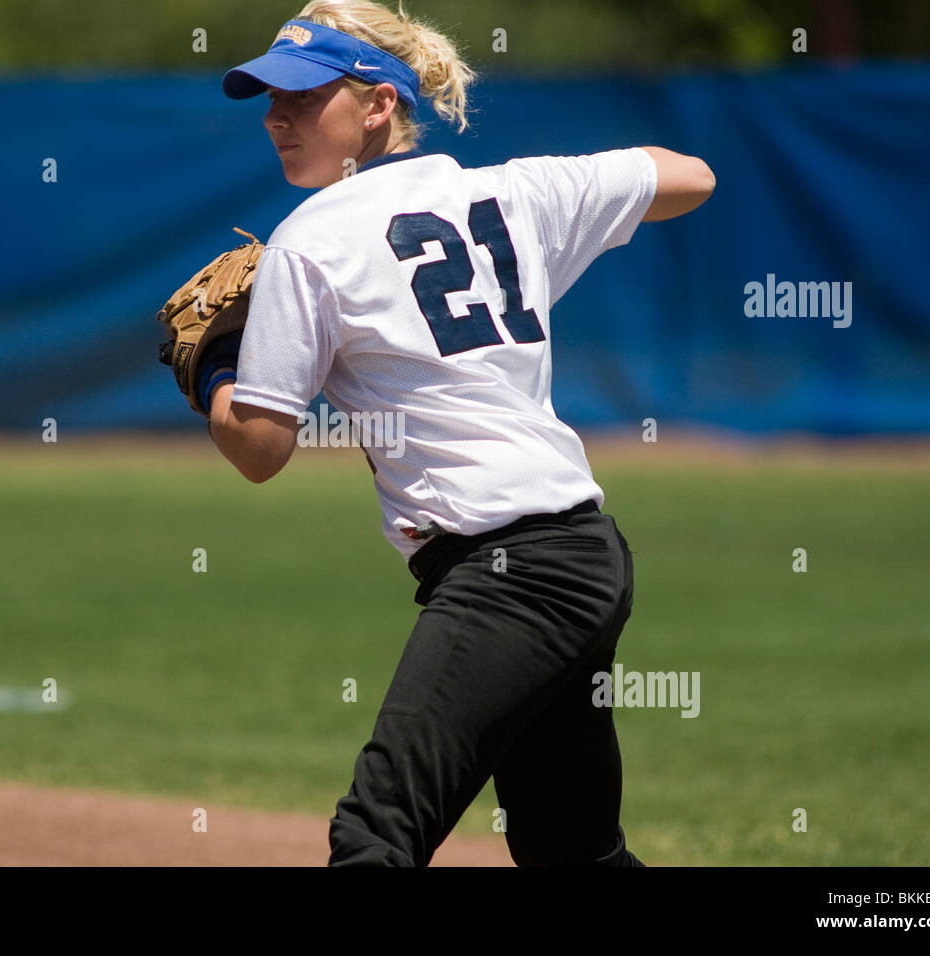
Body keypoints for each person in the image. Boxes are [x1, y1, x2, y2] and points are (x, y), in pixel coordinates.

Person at [202, 0, 714, 866]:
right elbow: (691, 176)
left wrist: (216, 371)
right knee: (571, 850)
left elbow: (259, 449)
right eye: (269, 97)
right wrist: (579, 183)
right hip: (585, 554)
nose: (277, 115)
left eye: (304, 94)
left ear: (377, 105)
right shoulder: (513, 192)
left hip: (504, 571)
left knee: (375, 835)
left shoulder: (308, 242)